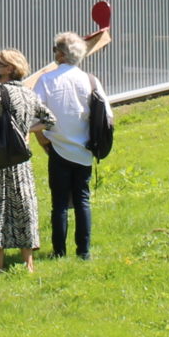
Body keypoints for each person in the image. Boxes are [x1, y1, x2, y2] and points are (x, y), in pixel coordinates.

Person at [30, 25, 114, 261]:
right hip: (85, 149)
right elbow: (108, 116)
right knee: (82, 200)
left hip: (57, 148)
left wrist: (42, 140)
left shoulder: (46, 80)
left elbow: (35, 115)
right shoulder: (90, 80)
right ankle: (84, 252)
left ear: (60, 54)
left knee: (59, 204)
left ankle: (59, 252)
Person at [0, 48, 55, 272]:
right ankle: (28, 264)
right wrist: (26, 130)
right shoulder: (29, 94)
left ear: (9, 69)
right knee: (24, 207)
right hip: (21, 160)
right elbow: (50, 119)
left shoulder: (0, 92)